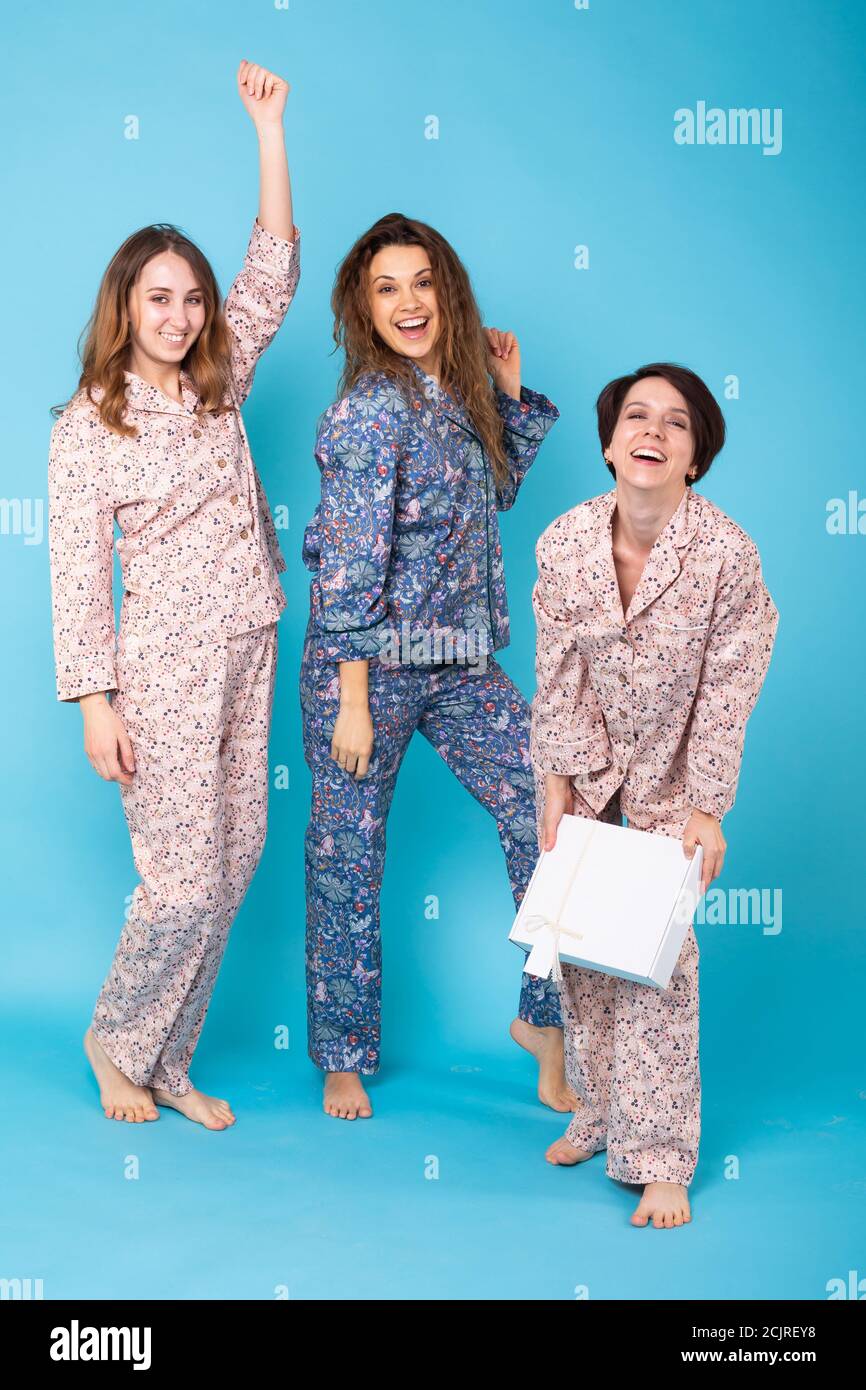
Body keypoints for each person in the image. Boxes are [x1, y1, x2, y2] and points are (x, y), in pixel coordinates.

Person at [48, 61, 299, 1130]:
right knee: (181, 880)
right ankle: (114, 1039)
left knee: (233, 868)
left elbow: (273, 271)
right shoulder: (87, 422)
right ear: (125, 304)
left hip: (252, 642)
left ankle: (167, 1058)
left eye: (192, 299)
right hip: (161, 670)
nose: (182, 315)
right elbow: (71, 569)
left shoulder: (219, 381)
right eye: (160, 298)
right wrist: (95, 702)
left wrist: (269, 129)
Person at [300, 213, 568, 1120]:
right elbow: (345, 569)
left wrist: (507, 395)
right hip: (363, 668)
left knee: (550, 806)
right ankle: (342, 1055)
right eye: (386, 288)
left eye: (422, 283)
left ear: (446, 292)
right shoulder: (368, 411)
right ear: (363, 308)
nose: (408, 302)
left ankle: (545, 1019)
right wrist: (352, 695)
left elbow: (488, 498)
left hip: (456, 661)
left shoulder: (455, 395)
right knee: (349, 854)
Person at [531, 362, 778, 1227]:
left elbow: (729, 687)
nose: (654, 432)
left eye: (676, 425)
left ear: (694, 459)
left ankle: (662, 1154)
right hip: (586, 764)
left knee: (660, 963)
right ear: (609, 445)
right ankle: (599, 1111)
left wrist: (706, 804)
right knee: (580, 950)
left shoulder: (727, 557)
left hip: (677, 774)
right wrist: (558, 779)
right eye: (638, 417)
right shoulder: (563, 544)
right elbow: (558, 673)